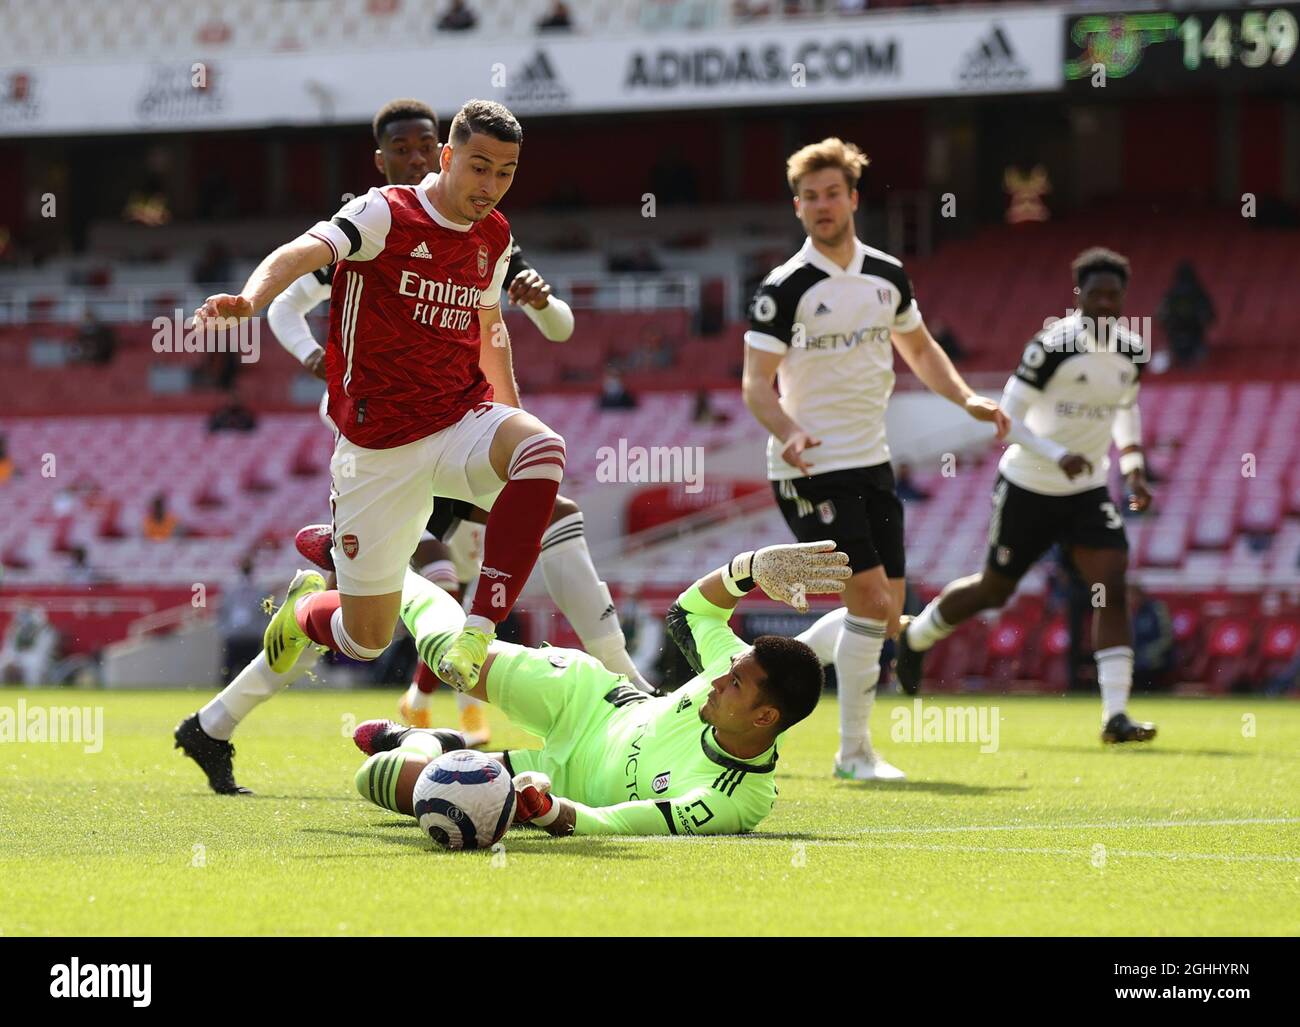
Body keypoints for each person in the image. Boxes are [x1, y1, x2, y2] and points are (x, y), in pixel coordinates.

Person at [260, 98, 641, 739]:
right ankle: (307, 608)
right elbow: (298, 259)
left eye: (505, 172)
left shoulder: (493, 236)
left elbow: (495, 331)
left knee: (543, 456)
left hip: (456, 421)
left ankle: (485, 635)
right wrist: (254, 301)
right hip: (376, 444)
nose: (489, 185)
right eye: (478, 167)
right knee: (365, 638)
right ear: (443, 158)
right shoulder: (379, 214)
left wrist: (509, 419)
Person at [741, 137, 1007, 781]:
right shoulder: (785, 287)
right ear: (798, 207)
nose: (822, 205)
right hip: (807, 467)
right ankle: (854, 753)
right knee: (864, 594)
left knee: (885, 615)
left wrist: (966, 398)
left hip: (872, 463)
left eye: (833, 193)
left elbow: (919, 351)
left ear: (854, 198)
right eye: (809, 197)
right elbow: (754, 384)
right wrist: (790, 429)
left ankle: (756, 675)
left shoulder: (886, 274)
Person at [350, 540, 849, 836]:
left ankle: (424, 742)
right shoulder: (729, 672)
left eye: (736, 683)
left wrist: (546, 812)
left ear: (765, 717)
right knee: (452, 656)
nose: (716, 679)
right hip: (586, 699)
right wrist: (749, 568)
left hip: (560, 782)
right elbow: (689, 612)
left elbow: (617, 824)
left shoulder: (737, 800)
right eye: (729, 669)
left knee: (380, 778)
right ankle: (378, 563)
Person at [895, 248, 1158, 745]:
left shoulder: (1131, 349)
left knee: (1112, 587)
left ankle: (1115, 716)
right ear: (1080, 296)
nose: (1105, 301)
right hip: (1030, 485)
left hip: (1087, 489)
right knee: (994, 590)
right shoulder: (1051, 346)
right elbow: (1006, 420)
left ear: (1123, 297)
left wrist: (1133, 466)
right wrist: (1057, 454)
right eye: (1096, 292)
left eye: (1113, 293)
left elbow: (1125, 410)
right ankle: (915, 637)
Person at [1157, 261, 1214, 368]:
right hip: (1189, 336)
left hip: (1183, 336)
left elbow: (1160, 316)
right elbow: (1210, 316)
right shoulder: (1198, 293)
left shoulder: (1171, 295)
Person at [0, 603, 58, 686]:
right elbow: (8, 649)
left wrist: (22, 662)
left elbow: (42, 653)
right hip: (16, 658)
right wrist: (13, 660)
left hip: (37, 661)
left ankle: (32, 692)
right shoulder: (15, 629)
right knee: (2, 665)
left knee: (33, 669)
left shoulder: (45, 630)